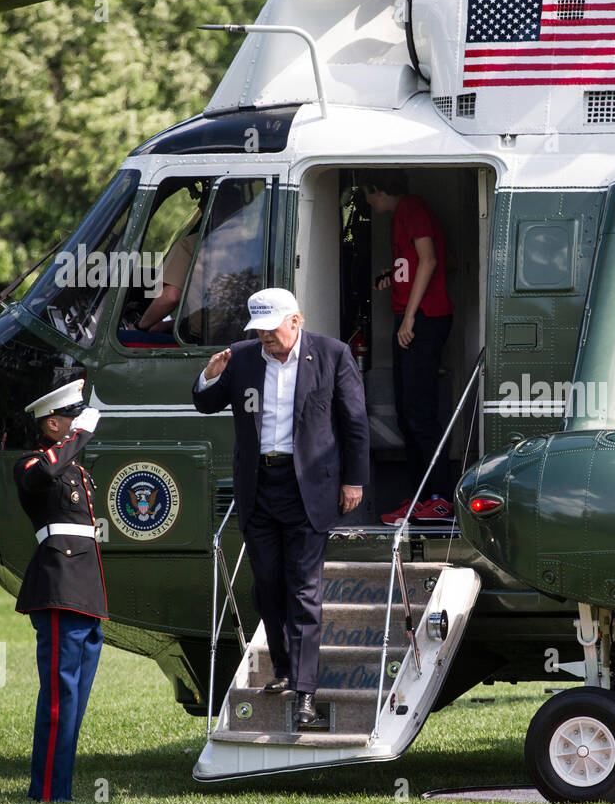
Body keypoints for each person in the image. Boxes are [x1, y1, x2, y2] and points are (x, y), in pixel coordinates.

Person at [192, 288, 370, 729]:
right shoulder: (245, 358)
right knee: (268, 584)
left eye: (272, 333)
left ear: (296, 321)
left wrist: (354, 480)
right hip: (259, 486)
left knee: (304, 589)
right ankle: (286, 667)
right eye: (260, 334)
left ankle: (306, 691)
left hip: (309, 487)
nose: (266, 342)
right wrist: (210, 376)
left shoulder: (332, 355)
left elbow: (354, 422)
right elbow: (205, 403)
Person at [13, 379, 105, 802]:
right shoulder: (33, 464)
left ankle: (59, 785)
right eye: (72, 416)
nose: (80, 422)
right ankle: (48, 791)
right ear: (53, 424)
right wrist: (81, 435)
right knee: (59, 697)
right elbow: (46, 471)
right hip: (57, 585)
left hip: (85, 589)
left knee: (74, 700)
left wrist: (77, 438)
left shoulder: (76, 470)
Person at [358, 170, 456, 526]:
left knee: (419, 413)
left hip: (425, 319)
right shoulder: (403, 214)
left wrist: (410, 318)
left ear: (379, 189)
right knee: (406, 413)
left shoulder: (412, 208)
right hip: (415, 315)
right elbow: (419, 263)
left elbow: (430, 260)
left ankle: (439, 498)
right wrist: (395, 274)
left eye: (368, 194)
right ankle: (420, 499)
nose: (367, 202)